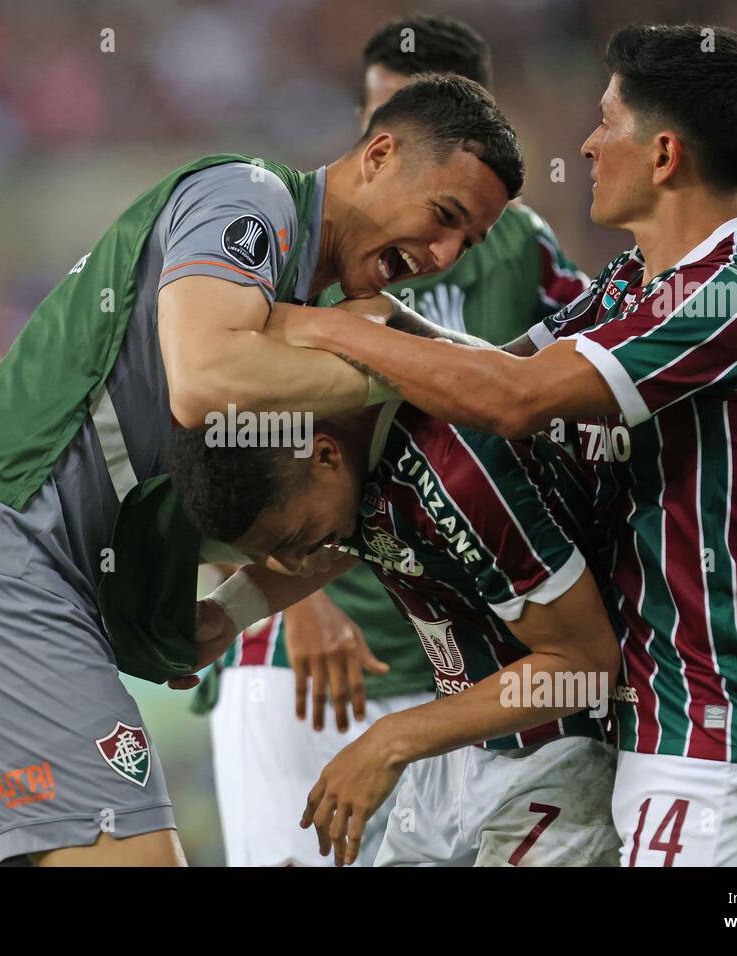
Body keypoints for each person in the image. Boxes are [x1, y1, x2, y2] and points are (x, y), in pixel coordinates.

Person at [0, 75, 526, 866]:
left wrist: (232, 614)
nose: (443, 256)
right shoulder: (247, 195)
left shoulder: (309, 321)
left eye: (468, 244)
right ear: (379, 155)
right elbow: (204, 378)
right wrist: (403, 370)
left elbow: (344, 514)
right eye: (443, 218)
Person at [267, 24, 737, 865]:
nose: (587, 143)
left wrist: (308, 323)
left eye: (608, 121)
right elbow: (493, 366)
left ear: (663, 155)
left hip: (729, 733)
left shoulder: (734, 289)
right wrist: (378, 320)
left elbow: (515, 399)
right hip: (673, 731)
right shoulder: (632, 285)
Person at [202, 11, 593, 870]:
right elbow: (260, 468)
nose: (446, 250)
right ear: (374, 144)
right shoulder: (282, 237)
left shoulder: (516, 258)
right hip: (355, 670)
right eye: (376, 118)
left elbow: (589, 349)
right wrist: (249, 609)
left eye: (466, 224)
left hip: (486, 691)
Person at [171, 402, 622, 867]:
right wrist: (227, 614)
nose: (296, 565)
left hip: (565, 744)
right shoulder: (353, 455)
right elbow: (356, 536)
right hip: (462, 742)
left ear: (325, 456)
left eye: (293, 540)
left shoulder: (457, 472)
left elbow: (585, 667)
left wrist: (389, 742)